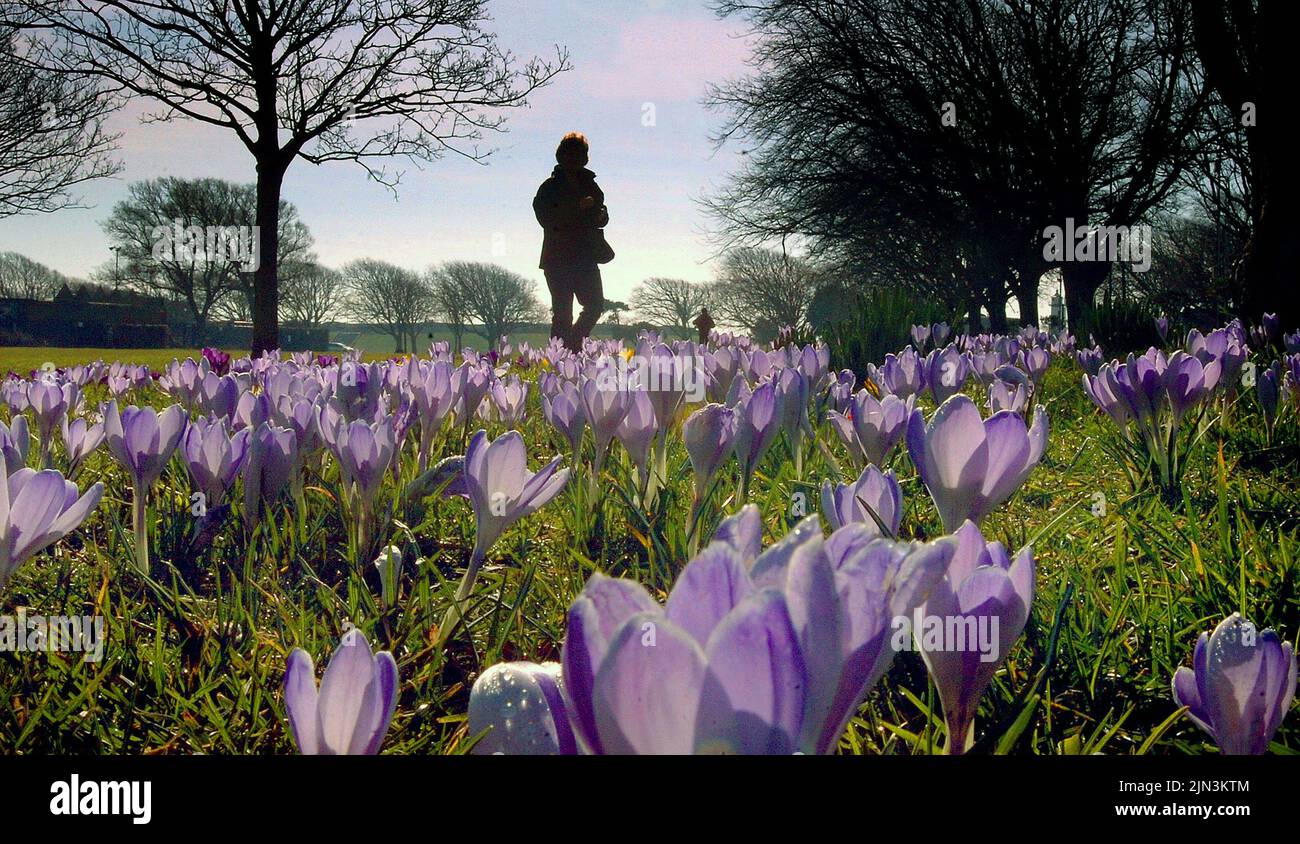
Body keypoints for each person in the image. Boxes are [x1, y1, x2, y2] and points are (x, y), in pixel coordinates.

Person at [533, 132, 608, 351]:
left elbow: (600, 214)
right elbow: (546, 219)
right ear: (561, 156)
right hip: (558, 258)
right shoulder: (549, 188)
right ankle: (562, 361)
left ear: (585, 158)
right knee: (563, 314)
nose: (574, 159)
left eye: (578, 155)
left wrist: (601, 216)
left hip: (585, 256)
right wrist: (577, 208)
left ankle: (571, 348)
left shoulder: (592, 186)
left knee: (594, 305)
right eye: (569, 154)